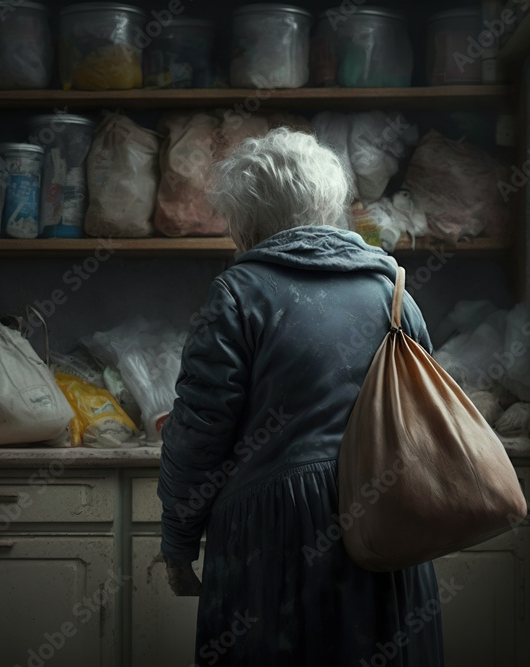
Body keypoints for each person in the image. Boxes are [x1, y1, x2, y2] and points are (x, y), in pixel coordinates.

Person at [157, 128, 444, 666]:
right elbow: (421, 421)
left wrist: (177, 544)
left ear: (243, 219)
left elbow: (197, 441)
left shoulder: (237, 296)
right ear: (326, 206)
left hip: (274, 533)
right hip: (386, 524)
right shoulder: (395, 291)